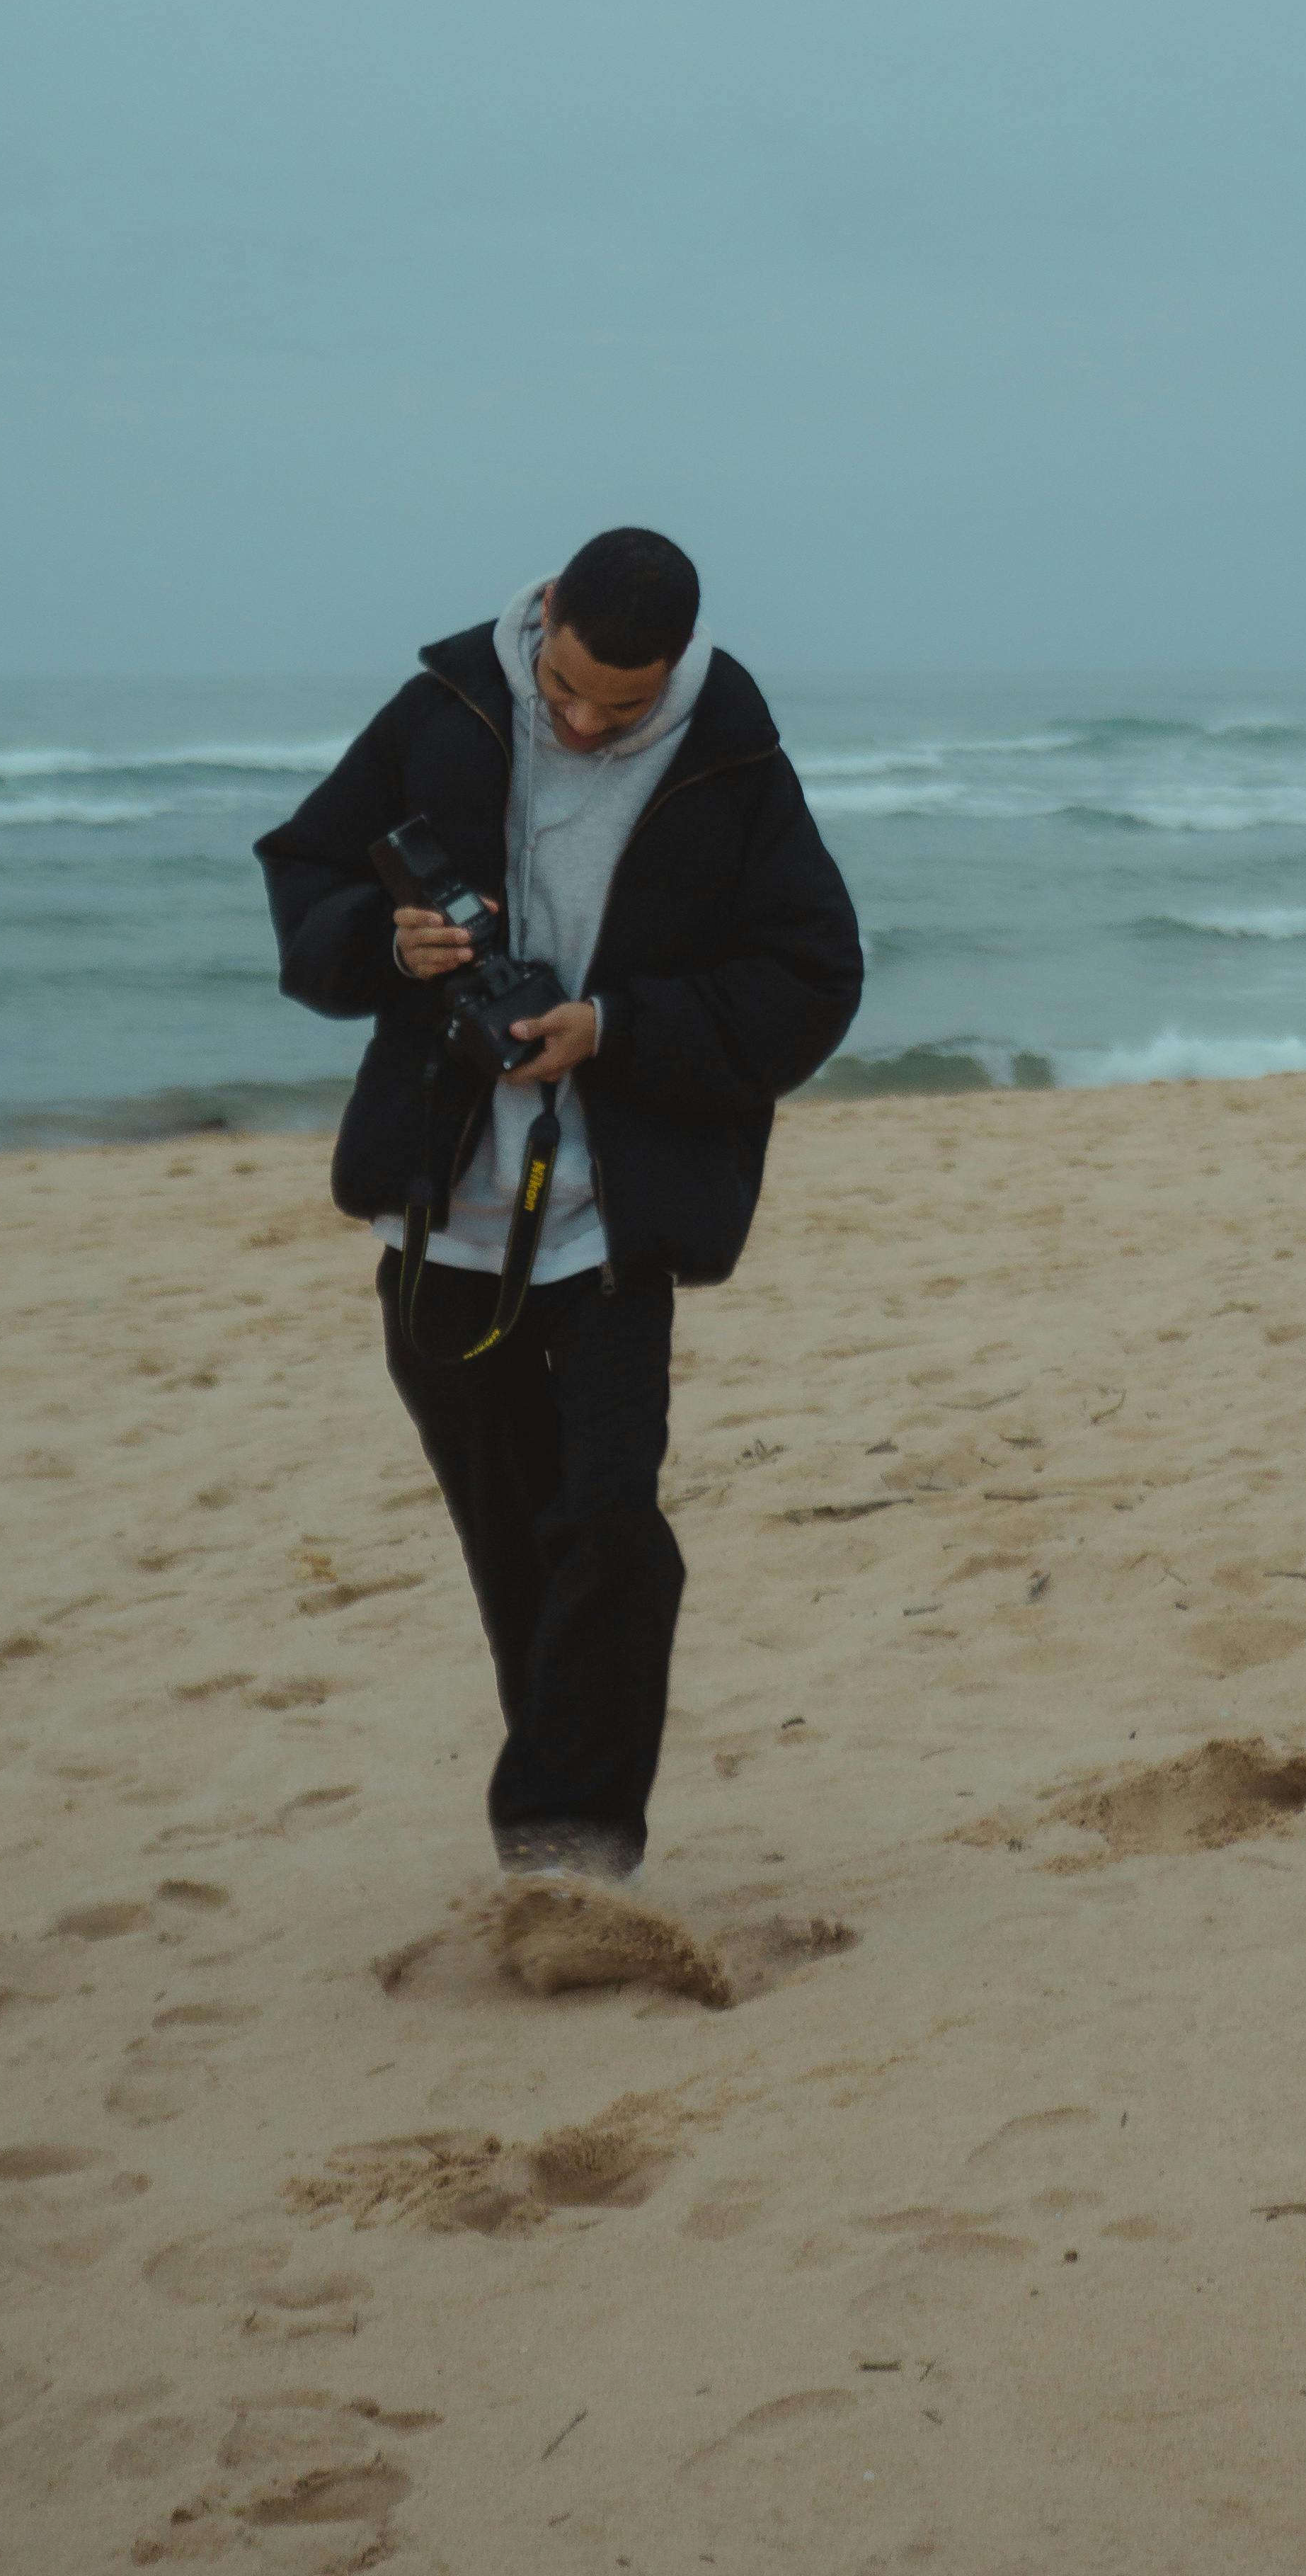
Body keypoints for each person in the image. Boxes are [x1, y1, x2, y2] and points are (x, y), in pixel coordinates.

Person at [256, 528, 861, 1883]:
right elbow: (307, 877)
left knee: (609, 1524)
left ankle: (569, 1844)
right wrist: (384, 942)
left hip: (608, 1222)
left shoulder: (732, 760)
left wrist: (617, 1027)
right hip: (438, 1212)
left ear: (676, 673)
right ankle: (564, 1837)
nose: (584, 722)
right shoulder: (450, 707)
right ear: (543, 624)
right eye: (567, 686)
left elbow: (815, 979)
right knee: (513, 1538)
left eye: (621, 706)